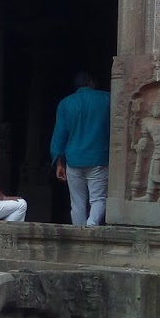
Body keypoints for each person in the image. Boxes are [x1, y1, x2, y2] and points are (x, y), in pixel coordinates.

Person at [50, 70, 112, 225]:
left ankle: (79, 233)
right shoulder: (107, 98)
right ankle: (91, 226)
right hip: (99, 157)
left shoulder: (66, 103)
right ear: (92, 82)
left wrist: (59, 162)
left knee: (77, 203)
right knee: (98, 199)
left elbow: (60, 134)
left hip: (73, 159)